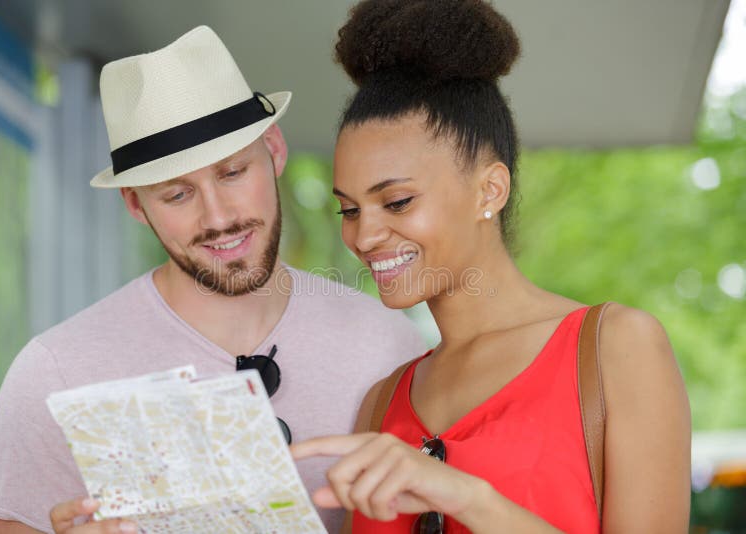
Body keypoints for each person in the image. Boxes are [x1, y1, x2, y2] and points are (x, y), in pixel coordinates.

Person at [0, 26, 425, 534]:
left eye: (233, 173)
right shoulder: (53, 373)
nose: (218, 218)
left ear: (274, 150)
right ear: (135, 205)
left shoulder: (388, 345)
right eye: (177, 195)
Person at [291, 0, 692, 532]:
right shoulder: (380, 403)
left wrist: (471, 499)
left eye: (397, 202)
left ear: (490, 189)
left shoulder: (616, 348)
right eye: (348, 209)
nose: (363, 236)